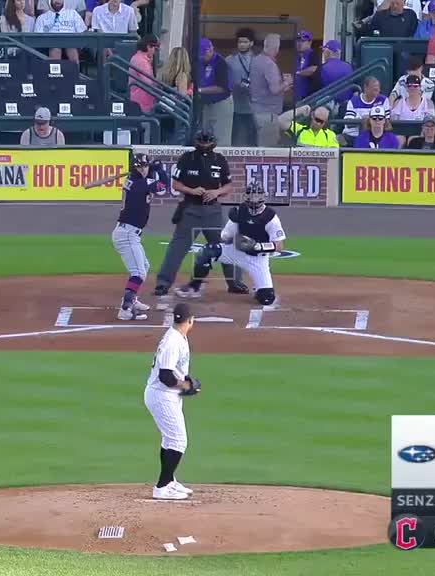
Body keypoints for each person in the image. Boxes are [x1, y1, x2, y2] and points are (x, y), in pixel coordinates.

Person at [153, 130, 245, 296]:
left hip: (213, 211)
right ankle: (163, 283)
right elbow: (176, 184)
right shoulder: (187, 158)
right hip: (190, 209)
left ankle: (235, 283)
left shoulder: (220, 159)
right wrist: (192, 190)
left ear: (213, 142)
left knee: (226, 246)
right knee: (177, 248)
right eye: (202, 142)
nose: (204, 145)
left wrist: (216, 193)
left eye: (207, 142)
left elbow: (228, 186)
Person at [175, 178, 287, 307]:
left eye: (257, 195)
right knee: (207, 251)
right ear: (246, 196)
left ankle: (259, 287)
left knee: (266, 299)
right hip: (237, 251)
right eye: (251, 195)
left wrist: (256, 246)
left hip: (257, 259)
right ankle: (193, 287)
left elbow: (279, 246)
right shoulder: (240, 211)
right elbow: (224, 237)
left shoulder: (270, 217)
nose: (254, 199)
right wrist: (234, 223)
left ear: (262, 196)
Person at [87, 153, 169, 319]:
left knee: (143, 267)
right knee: (138, 272)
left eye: (146, 166)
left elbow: (150, 181)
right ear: (135, 167)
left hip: (130, 233)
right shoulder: (140, 184)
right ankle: (125, 309)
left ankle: (133, 298)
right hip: (127, 234)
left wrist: (151, 169)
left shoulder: (134, 180)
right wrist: (161, 170)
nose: (144, 169)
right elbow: (163, 187)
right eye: (141, 166)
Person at [144, 301, 199, 501]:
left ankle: (169, 481)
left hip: (167, 395)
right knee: (179, 440)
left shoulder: (177, 336)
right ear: (191, 320)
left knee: (170, 439)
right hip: (161, 395)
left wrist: (186, 381)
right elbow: (166, 376)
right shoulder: (173, 341)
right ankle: (162, 486)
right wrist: (185, 386)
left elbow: (173, 371)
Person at [250, 33, 292, 147]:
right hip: (268, 114)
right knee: (267, 149)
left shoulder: (256, 60)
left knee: (260, 146)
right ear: (276, 48)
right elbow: (274, 89)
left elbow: (261, 85)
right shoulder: (269, 64)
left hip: (257, 110)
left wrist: (283, 86)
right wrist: (287, 82)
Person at [198, 38, 233, 147]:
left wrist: (199, 90)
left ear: (210, 50)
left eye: (204, 54)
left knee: (221, 140)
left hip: (221, 103)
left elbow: (223, 87)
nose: (202, 58)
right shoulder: (200, 62)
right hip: (207, 104)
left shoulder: (221, 63)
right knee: (206, 138)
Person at [227, 27, 256, 147]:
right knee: (234, 136)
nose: (242, 45)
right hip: (234, 104)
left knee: (252, 137)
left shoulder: (259, 61)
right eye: (240, 42)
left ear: (251, 43)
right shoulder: (229, 60)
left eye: (245, 42)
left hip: (253, 105)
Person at [156, 45, 191, 144]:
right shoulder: (182, 75)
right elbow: (182, 96)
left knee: (163, 139)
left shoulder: (163, 73)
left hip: (163, 109)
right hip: (176, 113)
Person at [343, 76, 389, 142]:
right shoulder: (353, 101)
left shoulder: (383, 100)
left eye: (378, 89)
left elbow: (387, 121)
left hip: (377, 136)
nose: (378, 92)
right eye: (375, 90)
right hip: (353, 135)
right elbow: (348, 123)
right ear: (366, 88)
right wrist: (362, 119)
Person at [319, 40, 354, 110]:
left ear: (328, 52)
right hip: (346, 107)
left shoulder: (323, 68)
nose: (323, 54)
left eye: (324, 51)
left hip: (329, 108)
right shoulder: (348, 67)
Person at [129, 34, 159, 113]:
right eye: (154, 49)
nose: (155, 52)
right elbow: (150, 84)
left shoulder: (136, 57)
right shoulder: (142, 62)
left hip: (137, 100)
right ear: (149, 47)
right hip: (143, 104)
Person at [293, 30, 317, 102]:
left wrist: (297, 73)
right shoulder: (298, 56)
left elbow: (313, 69)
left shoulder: (313, 55)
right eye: (298, 41)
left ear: (309, 42)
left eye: (303, 41)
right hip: (298, 95)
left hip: (308, 97)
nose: (300, 44)